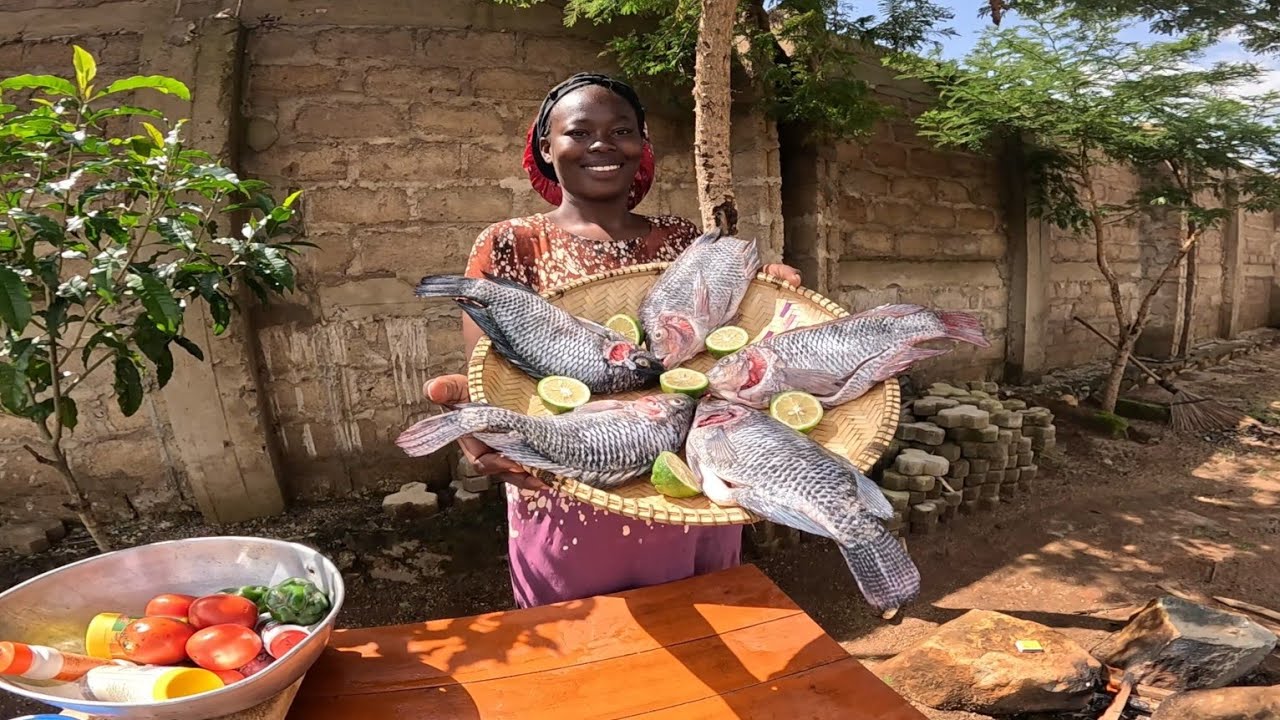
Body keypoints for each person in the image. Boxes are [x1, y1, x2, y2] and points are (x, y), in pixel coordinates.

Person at [422, 72, 804, 609]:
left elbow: (722, 336)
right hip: (570, 484)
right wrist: (475, 425)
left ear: (642, 145)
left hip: (677, 483)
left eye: (621, 131)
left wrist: (773, 293)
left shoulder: (679, 237)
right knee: (581, 636)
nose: (602, 144)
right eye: (579, 132)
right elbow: (491, 374)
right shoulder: (512, 243)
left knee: (703, 622)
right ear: (546, 147)